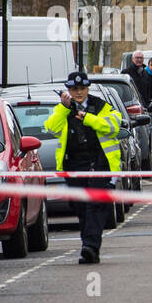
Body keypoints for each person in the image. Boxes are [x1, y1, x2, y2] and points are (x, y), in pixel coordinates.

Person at [44, 69, 122, 265]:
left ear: (88, 89)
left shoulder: (101, 105)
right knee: (79, 207)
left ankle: (90, 247)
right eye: (74, 89)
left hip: (99, 164)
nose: (79, 92)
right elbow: (50, 128)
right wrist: (64, 107)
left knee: (95, 206)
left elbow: (113, 126)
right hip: (74, 165)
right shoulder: (63, 109)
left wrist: (87, 117)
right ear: (69, 90)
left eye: (82, 88)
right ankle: (89, 245)